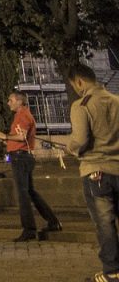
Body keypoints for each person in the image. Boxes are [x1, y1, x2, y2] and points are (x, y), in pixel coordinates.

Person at [66, 63, 119, 282]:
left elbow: (80, 140)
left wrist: (70, 148)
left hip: (96, 171)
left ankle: (112, 272)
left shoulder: (82, 105)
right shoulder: (116, 101)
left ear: (79, 81)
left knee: (105, 224)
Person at [0, 89, 61, 241]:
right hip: (22, 156)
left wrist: (5, 136)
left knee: (23, 194)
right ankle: (52, 221)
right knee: (30, 191)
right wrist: (8, 141)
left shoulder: (23, 115)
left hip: (21, 158)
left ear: (19, 101)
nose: (8, 103)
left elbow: (22, 136)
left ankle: (29, 229)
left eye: (10, 100)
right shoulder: (20, 115)